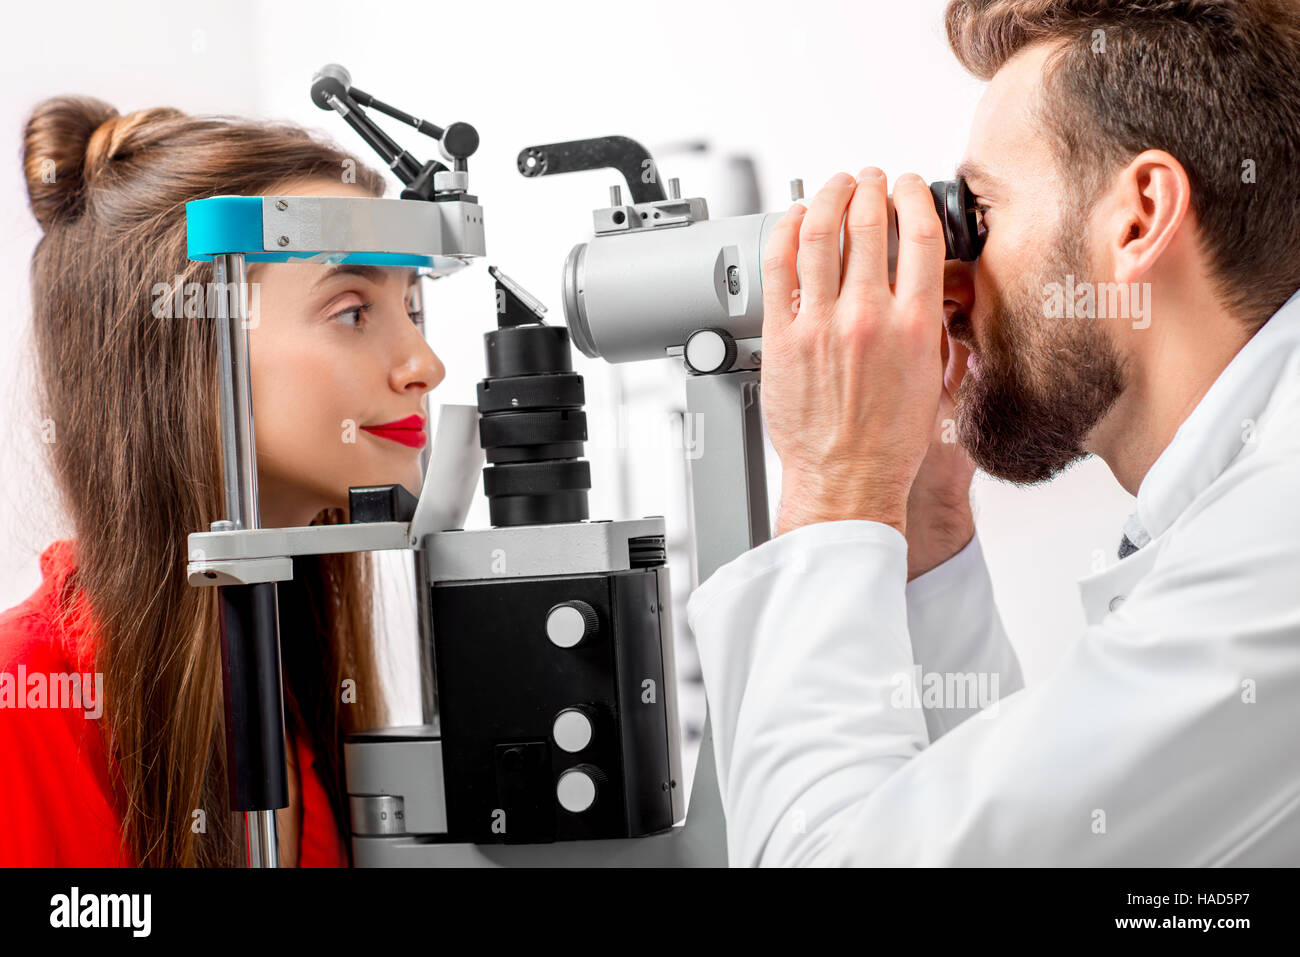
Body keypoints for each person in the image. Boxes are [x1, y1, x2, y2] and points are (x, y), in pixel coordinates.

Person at [687, 0, 1300, 865]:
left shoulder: (1278, 535)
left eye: (977, 210)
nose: (950, 276)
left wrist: (835, 485)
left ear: (1139, 216)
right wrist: (921, 521)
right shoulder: (1250, 497)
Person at [0, 97, 445, 866]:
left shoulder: (288, 688)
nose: (425, 366)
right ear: (184, 353)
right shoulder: (21, 710)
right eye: (352, 310)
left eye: (411, 307)